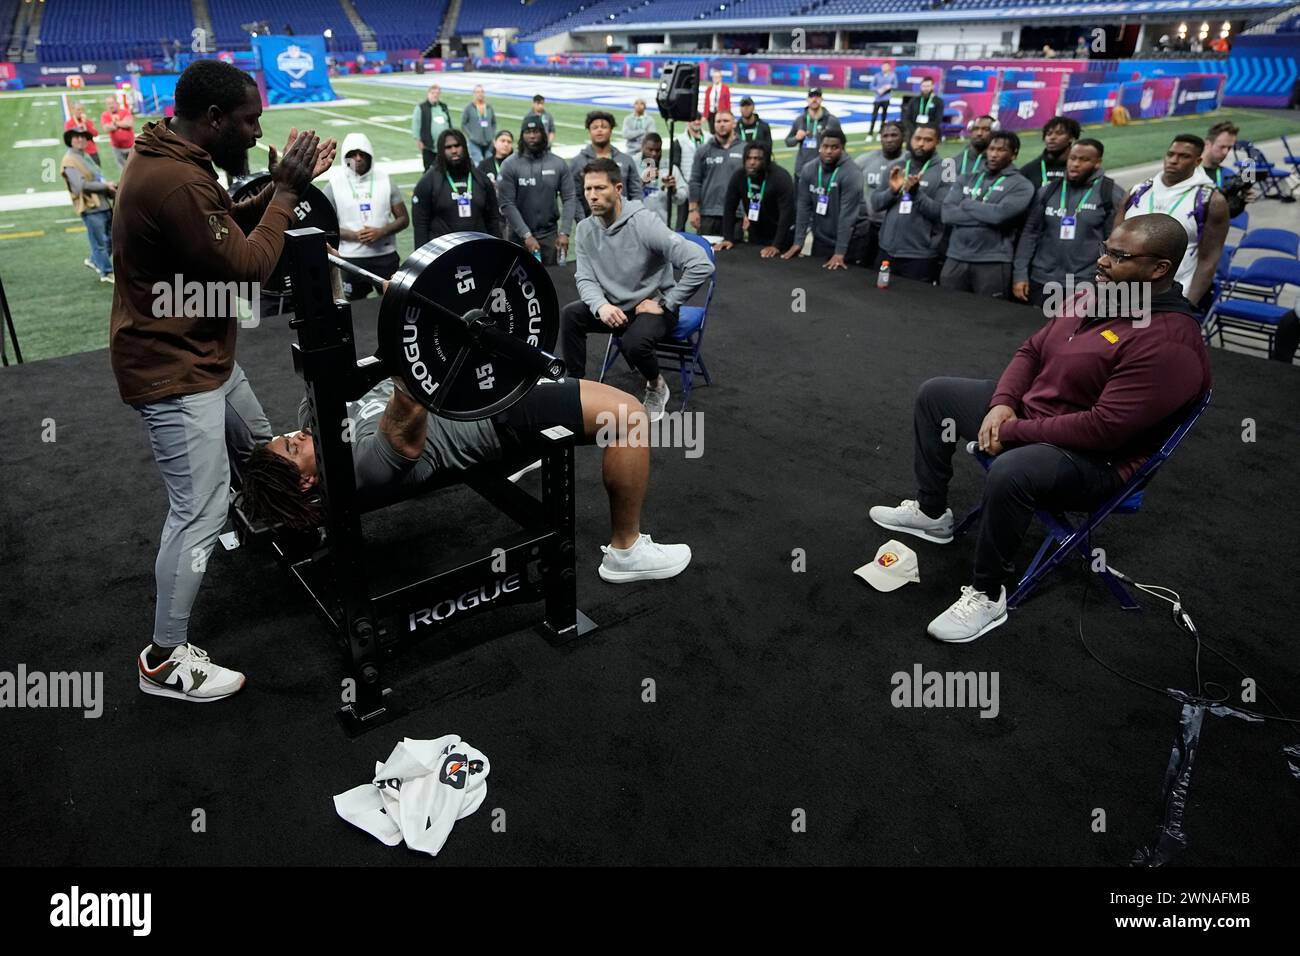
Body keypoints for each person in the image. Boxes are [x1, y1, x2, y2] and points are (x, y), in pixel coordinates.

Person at [869, 215, 1211, 643]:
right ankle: (932, 513)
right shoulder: (1100, 293)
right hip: (1034, 417)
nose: (1102, 261)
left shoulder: (1170, 343)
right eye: (1105, 248)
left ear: (1159, 269)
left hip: (1095, 461)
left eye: (1118, 256)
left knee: (1015, 470)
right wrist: (1001, 406)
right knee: (937, 395)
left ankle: (987, 594)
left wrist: (1010, 432)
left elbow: (1104, 430)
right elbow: (1031, 350)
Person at [113, 59, 334, 700]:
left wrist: (273, 188)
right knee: (198, 510)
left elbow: (219, 227)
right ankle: (164, 658)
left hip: (201, 354)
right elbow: (245, 270)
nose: (254, 129)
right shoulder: (176, 182)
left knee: (261, 449)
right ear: (213, 119)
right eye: (248, 120)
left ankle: (283, 525)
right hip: (175, 370)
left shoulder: (176, 161)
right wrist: (287, 194)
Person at [240, 375, 693, 584]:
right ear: (303, 483)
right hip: (496, 419)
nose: (296, 435)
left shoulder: (319, 428)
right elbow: (411, 403)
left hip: (476, 393)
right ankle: (626, 551)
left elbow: (326, 364)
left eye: (286, 437)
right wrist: (417, 329)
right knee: (629, 415)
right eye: (292, 448)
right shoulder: (364, 470)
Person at [560, 158, 714, 421]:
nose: (592, 196)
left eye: (600, 188)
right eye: (587, 189)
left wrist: (667, 302)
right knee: (570, 315)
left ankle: (656, 385)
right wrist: (601, 306)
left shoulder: (644, 223)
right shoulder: (586, 229)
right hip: (614, 307)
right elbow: (585, 278)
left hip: (654, 307)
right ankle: (577, 388)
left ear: (618, 189)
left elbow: (701, 263)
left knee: (634, 343)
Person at [1115, 134, 1229, 310]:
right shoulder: (1137, 192)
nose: (1173, 160)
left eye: (1184, 156)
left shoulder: (1211, 201)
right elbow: (1113, 247)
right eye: (1170, 154)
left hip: (1170, 298)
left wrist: (1188, 305)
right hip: (1123, 293)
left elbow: (1209, 260)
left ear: (1198, 161)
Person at [1013, 139, 1122, 308]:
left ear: (1097, 162)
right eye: (1072, 158)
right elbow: (1030, 234)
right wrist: (1020, 274)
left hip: (1085, 284)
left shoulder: (1110, 194)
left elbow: (1115, 245)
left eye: (1084, 160)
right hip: (1042, 280)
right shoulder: (1047, 191)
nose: (1075, 164)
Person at [939, 130, 1036, 299]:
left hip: (992, 262)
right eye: (991, 149)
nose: (994, 154)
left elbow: (999, 215)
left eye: (1001, 150)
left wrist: (967, 204)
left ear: (1014, 155)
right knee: (947, 310)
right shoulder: (965, 178)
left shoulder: (1022, 185)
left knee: (987, 318)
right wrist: (985, 213)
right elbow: (947, 214)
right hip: (956, 257)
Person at [321, 132, 408, 301]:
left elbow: (404, 218)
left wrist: (381, 231)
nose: (358, 158)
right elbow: (324, 226)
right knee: (352, 307)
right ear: (345, 157)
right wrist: (353, 235)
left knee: (393, 303)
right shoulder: (334, 185)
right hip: (350, 259)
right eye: (352, 154)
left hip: (385, 256)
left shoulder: (385, 180)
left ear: (370, 156)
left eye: (362, 154)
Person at [870, 124, 951, 282]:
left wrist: (915, 193)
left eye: (927, 140)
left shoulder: (945, 173)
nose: (921, 144)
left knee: (912, 305)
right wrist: (892, 192)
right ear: (910, 140)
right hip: (887, 250)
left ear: (937, 142)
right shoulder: (896, 166)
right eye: (917, 138)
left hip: (919, 256)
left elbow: (941, 212)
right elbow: (876, 204)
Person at [783, 126, 870, 270]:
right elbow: (804, 206)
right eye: (825, 146)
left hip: (851, 241)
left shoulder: (852, 173)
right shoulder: (809, 169)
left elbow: (847, 216)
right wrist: (798, 241)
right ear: (819, 147)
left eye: (834, 147)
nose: (829, 151)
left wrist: (840, 251)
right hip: (821, 239)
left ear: (843, 148)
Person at [498, 114, 576, 266]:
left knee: (552, 283)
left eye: (536, 132)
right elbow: (507, 203)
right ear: (522, 136)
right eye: (527, 132)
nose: (532, 136)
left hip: (549, 236)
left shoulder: (557, 163)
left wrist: (565, 232)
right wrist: (526, 235)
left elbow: (570, 198)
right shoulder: (510, 165)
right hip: (518, 237)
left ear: (543, 134)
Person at [411, 128, 502, 246]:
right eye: (448, 147)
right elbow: (420, 225)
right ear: (441, 151)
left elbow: (493, 220)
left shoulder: (481, 179)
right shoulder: (428, 182)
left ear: (464, 147)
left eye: (457, 146)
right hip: (444, 254)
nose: (454, 150)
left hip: (478, 251)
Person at [718, 142, 795, 257]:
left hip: (781, 237)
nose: (752, 162)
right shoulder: (739, 176)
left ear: (767, 160)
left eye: (757, 159)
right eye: (748, 158)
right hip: (755, 234)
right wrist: (728, 238)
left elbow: (786, 214)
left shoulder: (781, 178)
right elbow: (729, 208)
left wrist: (776, 245)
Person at [61, 128, 116, 283]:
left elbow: (97, 178)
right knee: (98, 243)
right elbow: (79, 186)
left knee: (111, 239)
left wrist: (107, 186)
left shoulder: (84, 157)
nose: (80, 140)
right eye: (76, 137)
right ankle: (106, 272)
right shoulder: (69, 161)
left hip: (103, 203)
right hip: (90, 207)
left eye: (84, 137)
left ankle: (93, 261)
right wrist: (106, 186)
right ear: (70, 140)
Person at [570, 110, 643, 221]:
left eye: (604, 127)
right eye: (595, 127)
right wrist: (583, 221)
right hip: (591, 223)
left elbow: (636, 192)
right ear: (589, 131)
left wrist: (632, 217)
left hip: (624, 222)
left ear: (611, 130)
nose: (599, 130)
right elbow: (575, 196)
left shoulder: (626, 160)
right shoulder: (578, 162)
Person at [855, 120, 906, 269]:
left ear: (903, 137)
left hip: (896, 228)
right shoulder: (865, 160)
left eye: (894, 135)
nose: (889, 139)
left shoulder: (909, 162)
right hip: (869, 225)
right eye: (885, 135)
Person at [688, 109, 746, 237]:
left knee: (735, 255)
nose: (722, 124)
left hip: (737, 214)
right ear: (713, 125)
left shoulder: (745, 149)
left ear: (734, 124)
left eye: (726, 121)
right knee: (707, 254)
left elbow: (751, 183)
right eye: (718, 121)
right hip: (708, 213)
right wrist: (693, 210)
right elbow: (695, 181)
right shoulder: (703, 151)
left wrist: (748, 213)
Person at [1200, 120, 1254, 218]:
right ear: (1207, 144)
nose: (1225, 152)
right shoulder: (1187, 171)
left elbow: (1226, 215)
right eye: (1222, 147)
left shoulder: (1229, 175)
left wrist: (1241, 202)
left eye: (1229, 148)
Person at [636, 132, 687, 227]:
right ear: (642, 147)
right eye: (650, 150)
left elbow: (682, 198)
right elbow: (621, 195)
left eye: (657, 150)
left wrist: (674, 191)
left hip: (662, 226)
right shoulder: (632, 164)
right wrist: (642, 182)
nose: (654, 154)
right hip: (636, 226)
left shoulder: (670, 168)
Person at [784, 88, 837, 174]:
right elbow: (788, 142)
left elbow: (841, 146)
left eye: (817, 97)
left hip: (825, 170)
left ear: (822, 99)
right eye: (811, 97)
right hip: (802, 171)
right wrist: (796, 138)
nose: (814, 99)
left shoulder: (831, 121)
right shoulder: (800, 120)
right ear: (807, 99)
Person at [1018, 116, 1080, 189]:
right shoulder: (1029, 170)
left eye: (1059, 133)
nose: (1052, 137)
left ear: (1071, 138)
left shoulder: (1080, 168)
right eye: (1049, 134)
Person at [674, 113, 706, 230]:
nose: (697, 122)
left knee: (704, 220)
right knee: (681, 220)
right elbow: (675, 165)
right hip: (686, 185)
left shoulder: (709, 138)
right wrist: (682, 183)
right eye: (693, 120)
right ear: (688, 122)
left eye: (698, 120)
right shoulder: (679, 140)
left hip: (704, 186)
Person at [411, 83, 453, 171]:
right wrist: (418, 140)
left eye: (437, 93)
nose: (435, 95)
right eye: (433, 93)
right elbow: (416, 124)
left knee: (446, 169)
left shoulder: (443, 106)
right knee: (429, 171)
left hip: (444, 145)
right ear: (428, 94)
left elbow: (449, 123)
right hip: (428, 146)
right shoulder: (421, 107)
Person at [460, 85, 497, 166]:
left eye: (481, 92)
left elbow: (493, 123)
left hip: (488, 142)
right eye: (477, 92)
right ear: (474, 94)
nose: (480, 94)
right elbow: (463, 123)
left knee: (489, 164)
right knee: (479, 164)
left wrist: (492, 135)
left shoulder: (489, 107)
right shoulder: (469, 108)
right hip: (474, 142)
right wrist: (470, 136)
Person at [101, 95, 135, 171]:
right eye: (108, 104)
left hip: (130, 146)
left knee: (135, 167)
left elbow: (129, 124)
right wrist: (122, 123)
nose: (111, 106)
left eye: (112, 103)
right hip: (117, 148)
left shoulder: (125, 112)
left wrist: (114, 123)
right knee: (124, 170)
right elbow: (106, 128)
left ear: (117, 103)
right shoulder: (105, 115)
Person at [64, 103, 102, 167]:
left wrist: (85, 123)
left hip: (91, 151)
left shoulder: (88, 122)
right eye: (78, 110)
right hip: (78, 153)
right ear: (73, 111)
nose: (80, 112)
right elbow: (70, 137)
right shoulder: (69, 123)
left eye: (82, 110)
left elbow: (95, 134)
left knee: (97, 171)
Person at [869, 64, 898, 138]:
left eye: (886, 67)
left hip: (886, 98)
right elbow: (871, 86)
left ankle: (880, 132)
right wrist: (877, 90)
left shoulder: (893, 75)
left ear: (889, 67)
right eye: (883, 67)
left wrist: (890, 86)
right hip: (877, 98)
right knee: (874, 116)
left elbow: (895, 85)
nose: (884, 68)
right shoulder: (877, 75)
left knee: (883, 116)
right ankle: (870, 133)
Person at [702, 68, 731, 132]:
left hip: (721, 113)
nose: (716, 78)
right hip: (711, 114)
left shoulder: (725, 88)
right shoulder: (709, 89)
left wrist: (728, 113)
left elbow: (728, 103)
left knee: (720, 131)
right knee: (712, 131)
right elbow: (706, 103)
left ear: (721, 78)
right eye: (714, 77)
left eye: (717, 77)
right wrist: (705, 115)